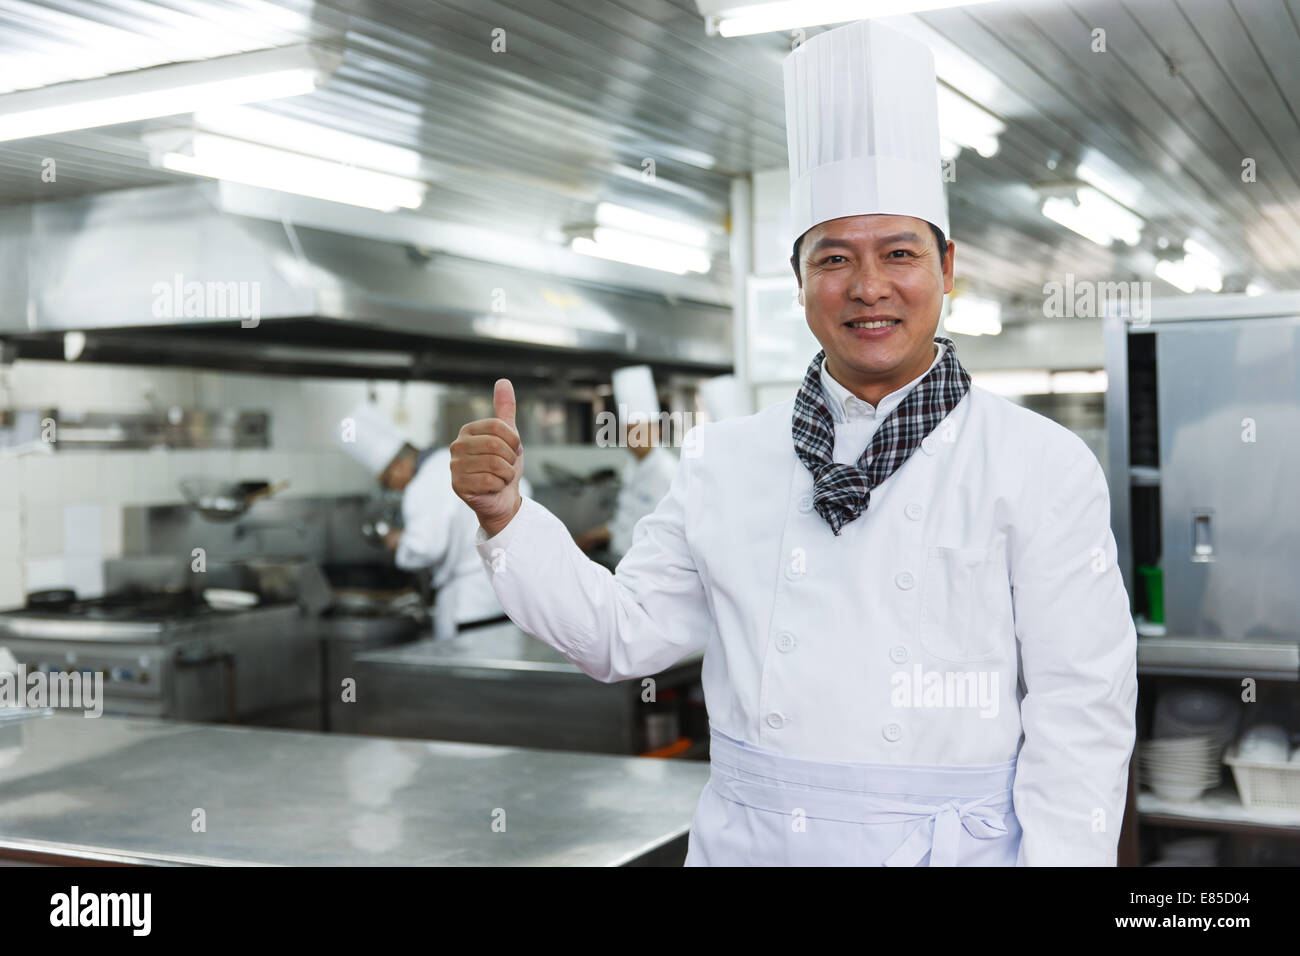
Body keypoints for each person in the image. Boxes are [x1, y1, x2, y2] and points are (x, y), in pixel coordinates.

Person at [449, 19, 1136, 866]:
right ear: (800, 278)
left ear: (948, 267)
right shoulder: (725, 460)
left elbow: (1082, 711)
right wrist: (506, 516)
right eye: (835, 258)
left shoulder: (1038, 465)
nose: (869, 286)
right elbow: (618, 636)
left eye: (899, 253)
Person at [337, 401, 530, 640]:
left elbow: (424, 549)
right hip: (512, 603)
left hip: (468, 607)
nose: (392, 487)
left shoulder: (423, 486)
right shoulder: (459, 461)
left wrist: (399, 541)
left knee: (463, 675)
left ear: (397, 467)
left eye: (387, 480)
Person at [573, 365, 678, 563]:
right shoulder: (632, 466)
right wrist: (595, 535)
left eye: (639, 430)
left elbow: (664, 535)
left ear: (658, 430)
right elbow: (626, 521)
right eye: (628, 430)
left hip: (647, 566)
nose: (633, 438)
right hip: (621, 558)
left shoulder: (668, 473)